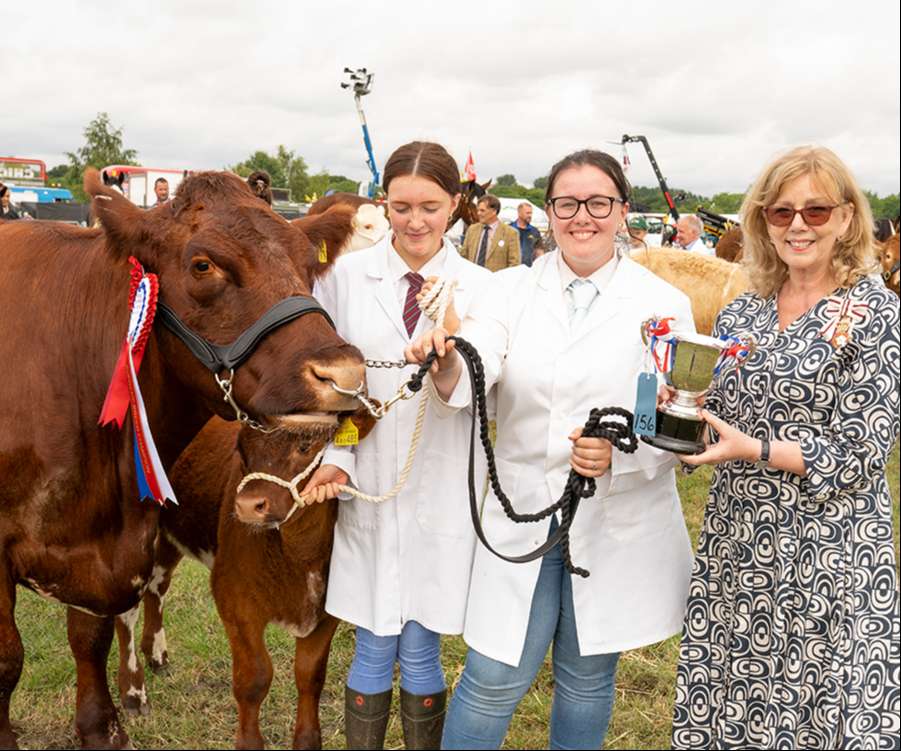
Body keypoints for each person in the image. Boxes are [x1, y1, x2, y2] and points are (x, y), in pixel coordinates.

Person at [406, 149, 696, 749]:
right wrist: (447, 360)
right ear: (548, 211)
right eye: (567, 203)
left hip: (615, 514)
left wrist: (621, 456)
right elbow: (479, 357)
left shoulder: (663, 304)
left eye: (598, 203)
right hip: (524, 509)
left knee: (587, 679)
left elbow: (670, 415)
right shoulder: (509, 290)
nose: (582, 216)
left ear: (622, 211)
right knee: (491, 678)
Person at [670, 145, 900, 749]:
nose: (798, 225)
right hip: (739, 544)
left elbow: (861, 454)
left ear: (846, 218)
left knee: (817, 709)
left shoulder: (875, 312)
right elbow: (722, 417)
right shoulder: (740, 314)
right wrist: (683, 410)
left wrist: (756, 449)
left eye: (815, 211)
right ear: (763, 221)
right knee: (735, 700)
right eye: (781, 212)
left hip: (826, 552)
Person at [304, 141, 492, 750]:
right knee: (372, 634)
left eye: (430, 208)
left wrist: (450, 350)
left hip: (442, 473)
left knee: (420, 640)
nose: (415, 222)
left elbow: (485, 384)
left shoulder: (482, 287)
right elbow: (332, 387)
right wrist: (338, 456)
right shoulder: (343, 278)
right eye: (401, 207)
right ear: (383, 204)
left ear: (454, 204)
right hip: (366, 474)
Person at [460, 194, 521, 271]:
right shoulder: (472, 229)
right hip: (472, 277)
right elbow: (463, 256)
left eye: (482, 210)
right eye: (478, 210)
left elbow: (514, 264)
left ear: (494, 211)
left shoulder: (510, 233)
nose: (478, 213)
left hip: (496, 278)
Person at [510, 201, 542, 267]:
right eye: (527, 213)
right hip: (510, 268)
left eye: (531, 213)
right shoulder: (509, 229)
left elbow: (539, 251)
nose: (530, 215)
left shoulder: (535, 231)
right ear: (519, 213)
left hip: (528, 269)